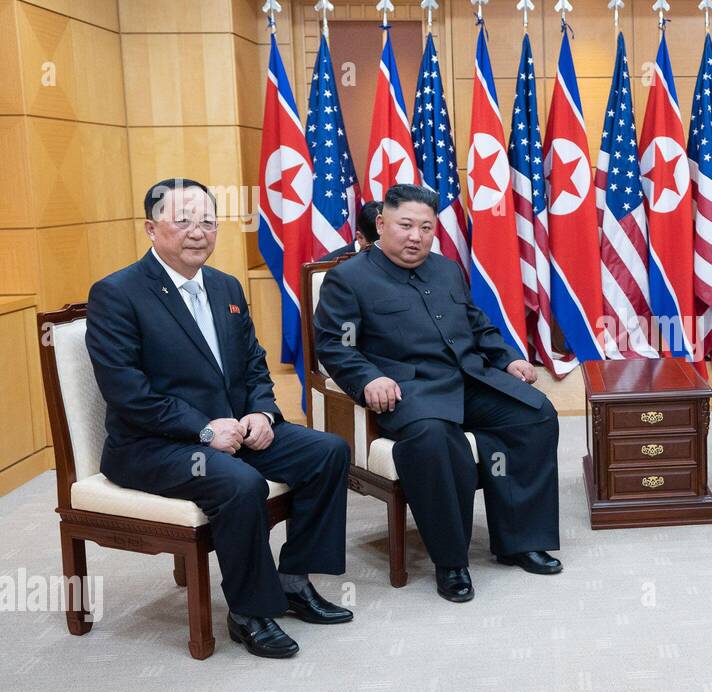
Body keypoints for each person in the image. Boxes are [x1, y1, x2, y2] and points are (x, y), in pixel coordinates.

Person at [85, 178, 353, 659]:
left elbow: (254, 363)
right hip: (154, 444)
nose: (198, 231)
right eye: (182, 219)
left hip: (236, 428)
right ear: (151, 228)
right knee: (238, 483)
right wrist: (203, 429)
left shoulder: (226, 286)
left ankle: (293, 582)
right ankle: (250, 611)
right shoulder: (117, 294)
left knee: (327, 451)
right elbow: (128, 394)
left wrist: (262, 411)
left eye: (208, 220)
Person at [313, 184, 562, 603]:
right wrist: (368, 378)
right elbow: (335, 345)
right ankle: (451, 561)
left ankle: (521, 541)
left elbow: (478, 325)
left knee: (534, 413)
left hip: (467, 381)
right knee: (437, 442)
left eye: (426, 227)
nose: (416, 236)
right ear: (381, 224)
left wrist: (506, 359)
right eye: (405, 225)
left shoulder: (446, 269)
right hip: (410, 392)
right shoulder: (348, 278)